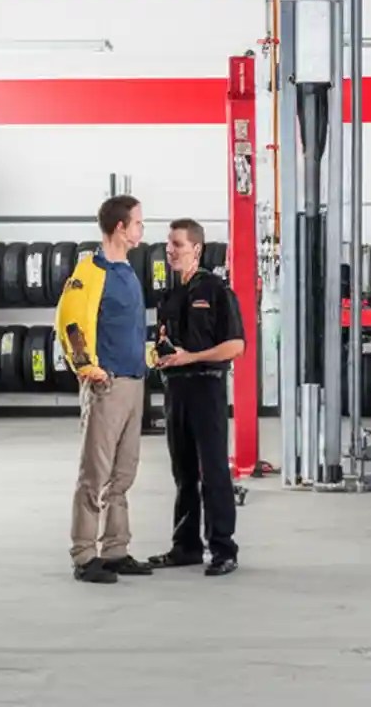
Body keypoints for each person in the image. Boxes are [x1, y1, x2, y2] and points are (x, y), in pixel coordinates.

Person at [55, 194, 153, 584]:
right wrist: (86, 368)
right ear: (120, 228)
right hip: (107, 386)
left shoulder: (128, 271)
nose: (142, 229)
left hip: (134, 382)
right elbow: (70, 322)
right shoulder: (90, 271)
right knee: (94, 475)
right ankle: (83, 554)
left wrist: (150, 356)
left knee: (123, 474)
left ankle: (115, 549)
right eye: (139, 223)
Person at [148, 218, 245, 577]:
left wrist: (192, 357)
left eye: (177, 244)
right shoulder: (170, 296)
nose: (170, 250)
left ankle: (223, 549)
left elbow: (236, 345)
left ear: (197, 249)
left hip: (206, 388)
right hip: (175, 390)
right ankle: (185, 546)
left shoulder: (218, 291)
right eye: (168, 244)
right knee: (183, 471)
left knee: (214, 471)